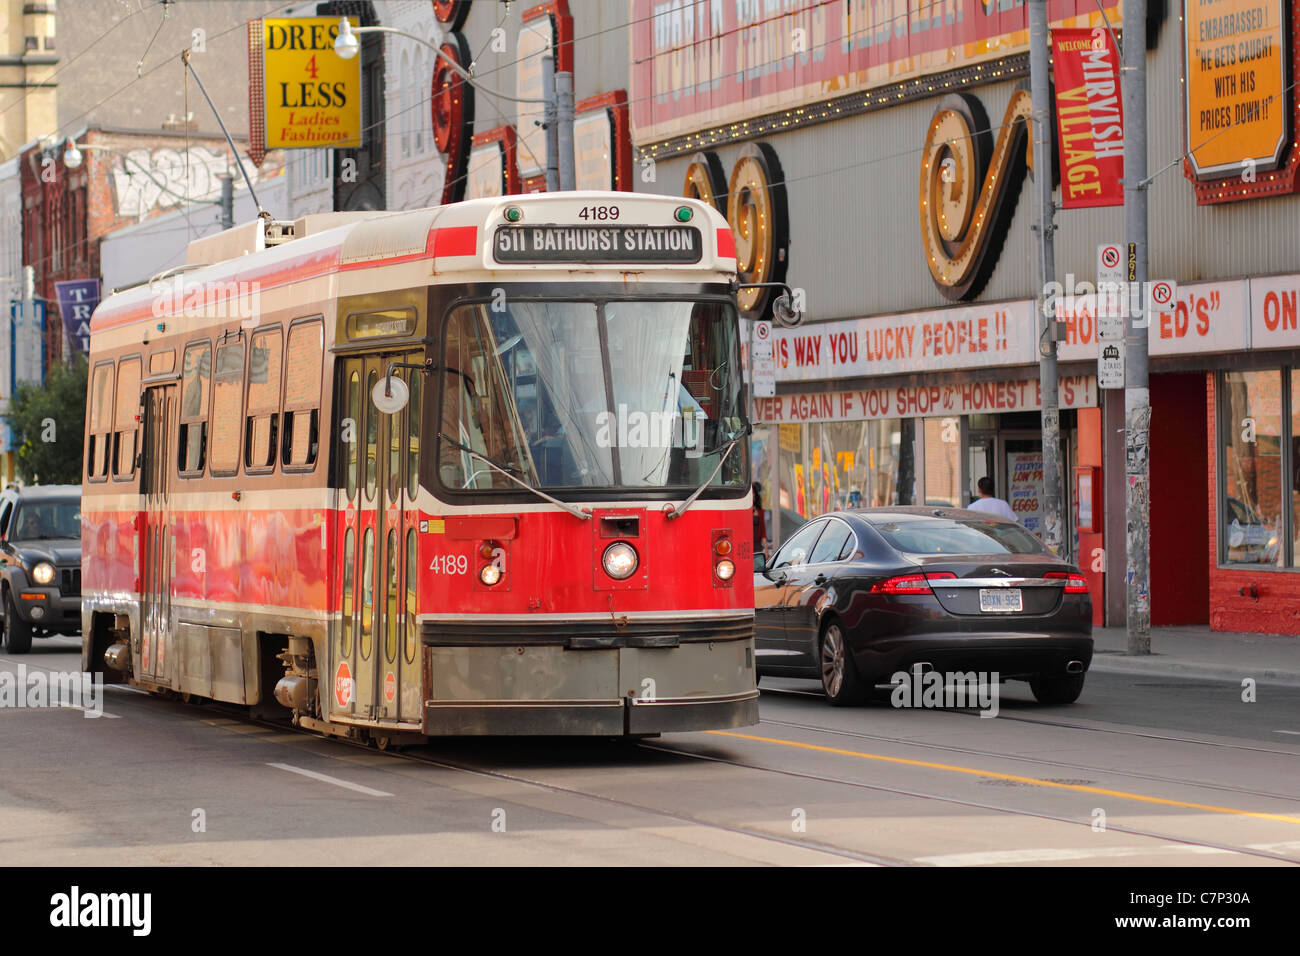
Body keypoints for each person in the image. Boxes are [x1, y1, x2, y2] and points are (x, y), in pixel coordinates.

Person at [752, 481, 768, 557]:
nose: (752, 495)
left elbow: (763, 533)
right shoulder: (742, 512)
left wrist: (766, 550)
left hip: (758, 548)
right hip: (747, 547)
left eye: (753, 493)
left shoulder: (760, 511)